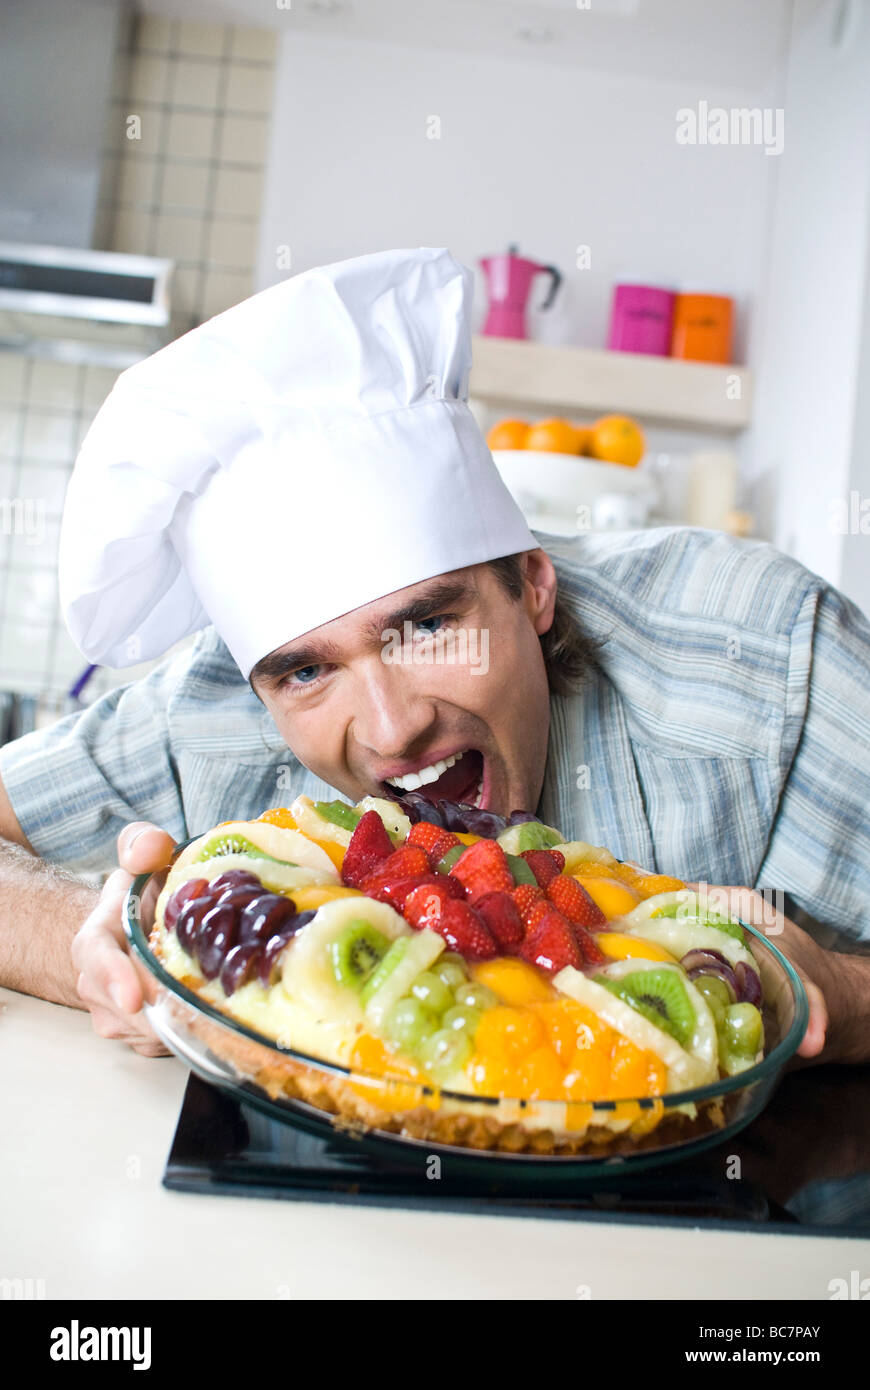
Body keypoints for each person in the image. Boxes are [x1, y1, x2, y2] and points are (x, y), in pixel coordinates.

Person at [0, 248, 868, 1066]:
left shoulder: (769, 651)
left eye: (424, 629)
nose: (393, 728)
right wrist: (95, 937)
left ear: (532, 584)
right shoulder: (205, 706)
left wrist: (837, 995)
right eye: (308, 671)